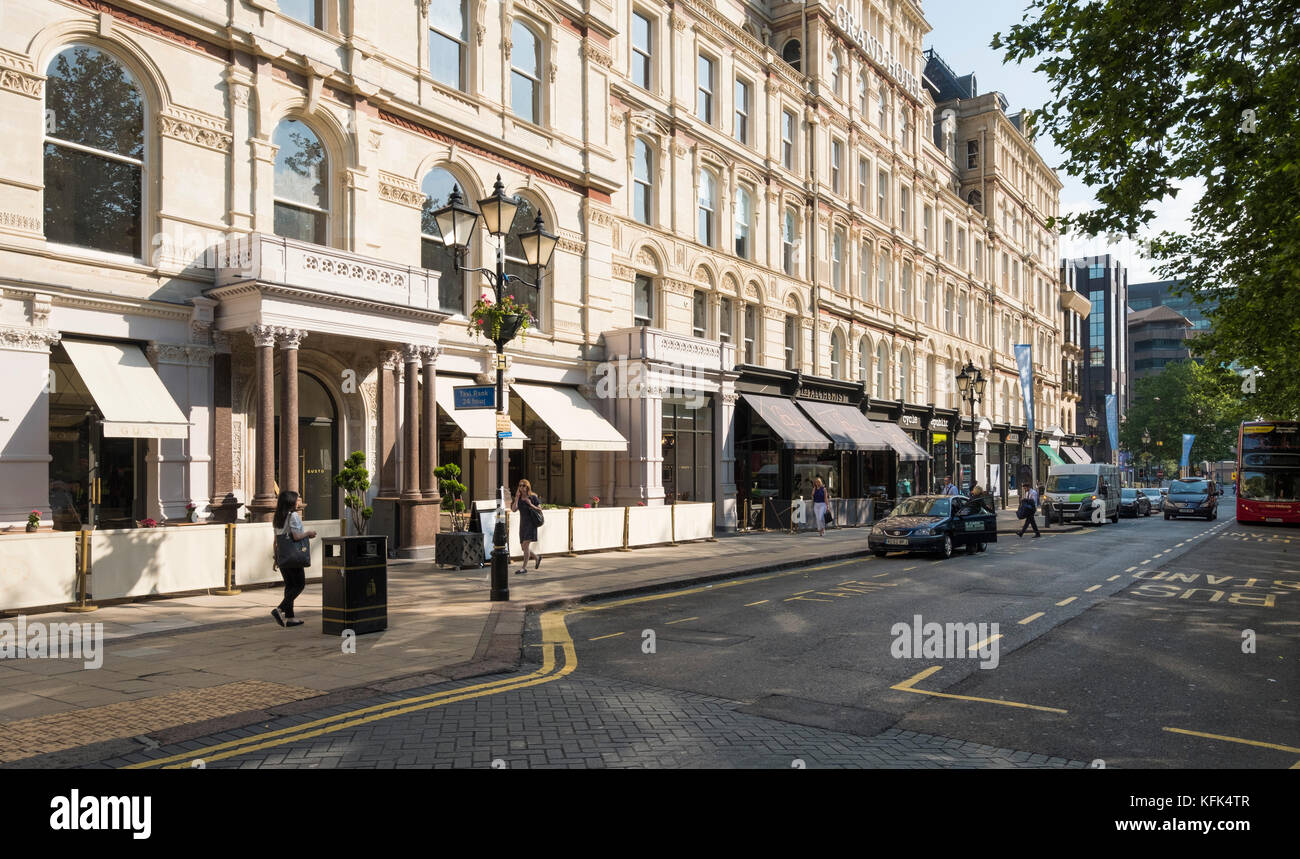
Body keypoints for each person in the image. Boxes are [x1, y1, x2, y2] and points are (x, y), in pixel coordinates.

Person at [271, 490, 316, 627]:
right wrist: (309, 533)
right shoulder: (293, 516)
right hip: (294, 556)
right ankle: (279, 609)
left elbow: (276, 541)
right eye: (297, 500)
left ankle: (290, 617)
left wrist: (276, 558)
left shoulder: (277, 517)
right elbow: (296, 536)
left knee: (290, 586)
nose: (299, 502)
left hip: (283, 556)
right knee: (299, 585)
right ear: (290, 502)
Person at [510, 479, 543, 575]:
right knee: (523, 548)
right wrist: (516, 498)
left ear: (527, 487)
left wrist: (530, 504)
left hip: (531, 524)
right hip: (523, 525)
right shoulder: (519, 498)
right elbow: (513, 510)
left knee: (525, 546)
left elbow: (540, 509)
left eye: (523, 485)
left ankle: (523, 568)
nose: (521, 487)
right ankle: (537, 557)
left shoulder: (533, 497)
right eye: (520, 485)